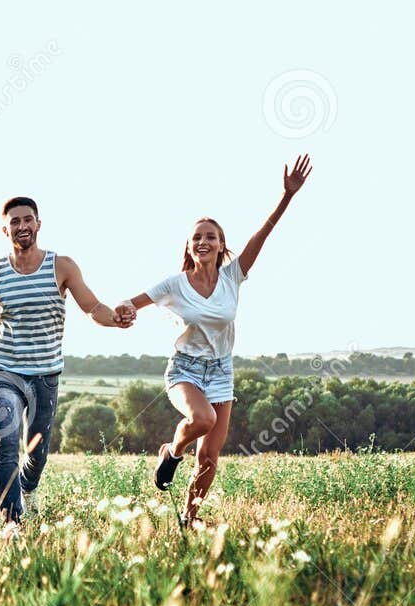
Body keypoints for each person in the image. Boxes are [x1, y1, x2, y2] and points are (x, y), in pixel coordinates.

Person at [117, 155, 313, 528]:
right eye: (197, 237)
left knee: (209, 457)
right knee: (201, 419)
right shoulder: (173, 284)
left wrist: (286, 197)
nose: (203, 241)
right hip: (185, 370)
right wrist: (122, 311)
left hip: (221, 371)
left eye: (211, 236)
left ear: (222, 245)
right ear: (189, 247)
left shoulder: (232, 277)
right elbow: (133, 302)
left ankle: (189, 519)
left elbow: (264, 233)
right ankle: (172, 453)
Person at [0, 197, 124, 540]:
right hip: (4, 368)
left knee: (37, 447)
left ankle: (29, 490)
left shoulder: (61, 266)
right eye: (15, 221)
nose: (22, 226)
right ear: (5, 229)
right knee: (7, 442)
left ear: (38, 224)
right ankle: (11, 522)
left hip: (46, 373)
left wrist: (115, 319)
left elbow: (91, 305)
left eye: (28, 220)